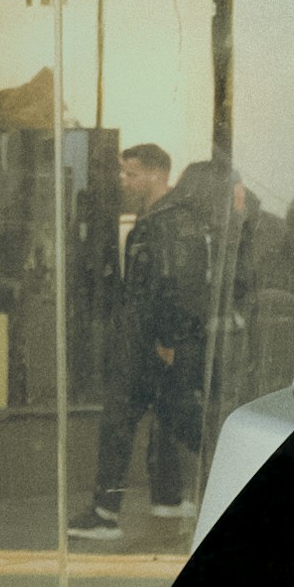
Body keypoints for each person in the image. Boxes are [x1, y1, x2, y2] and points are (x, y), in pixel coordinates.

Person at [73, 145, 224, 540]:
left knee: (121, 422)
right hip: (148, 340)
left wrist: (166, 340)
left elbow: (176, 284)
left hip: (149, 343)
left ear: (157, 174)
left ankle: (105, 515)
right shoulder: (162, 218)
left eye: (132, 174)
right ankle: (169, 498)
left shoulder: (170, 221)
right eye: (122, 173)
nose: (123, 181)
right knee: (176, 420)